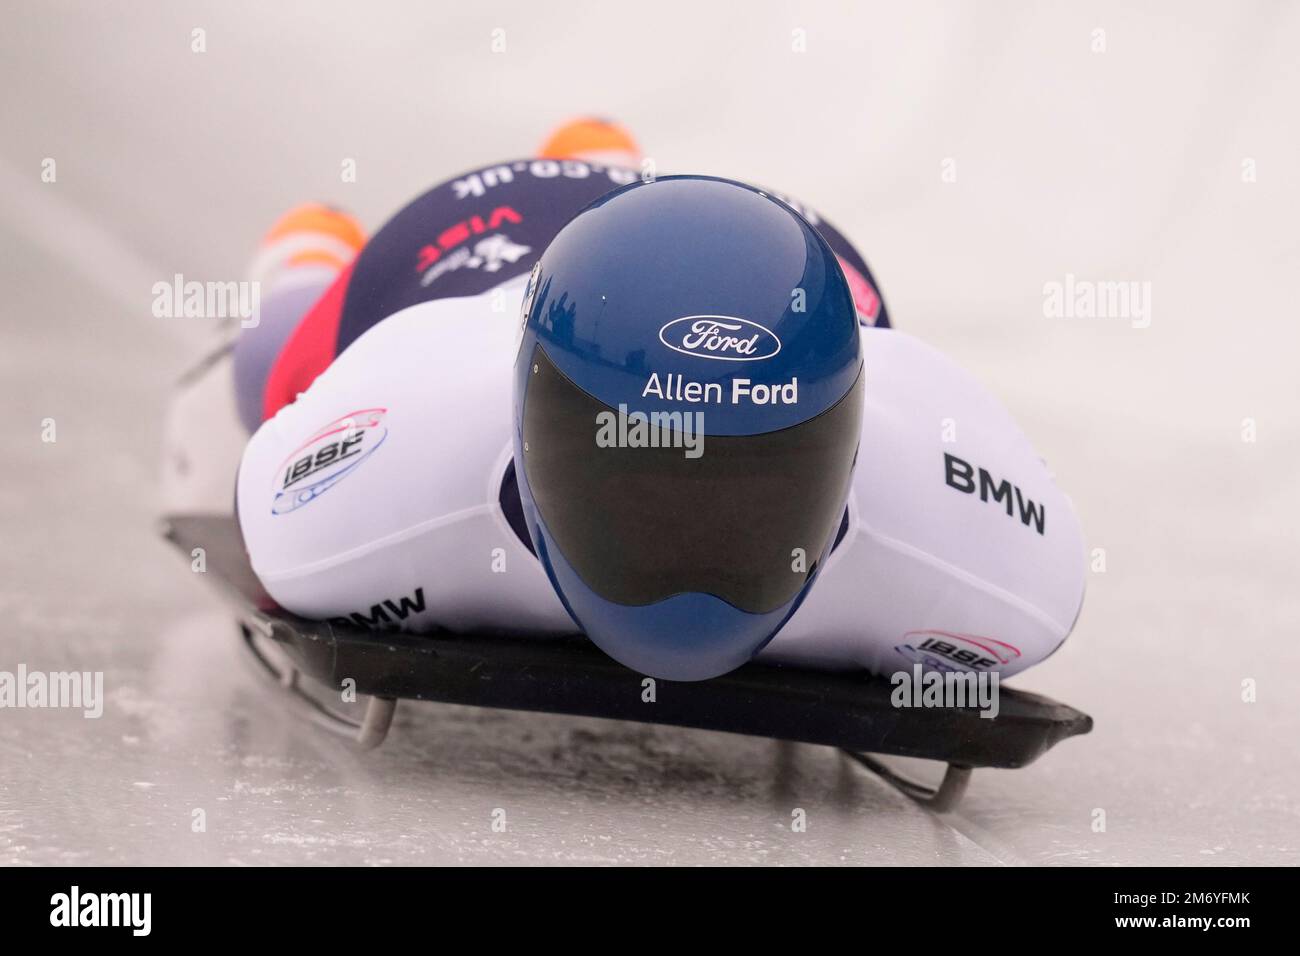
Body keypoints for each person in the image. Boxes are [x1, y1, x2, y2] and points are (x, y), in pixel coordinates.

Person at [221, 121, 1082, 680]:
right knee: (272, 359)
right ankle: (315, 251)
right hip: (475, 243)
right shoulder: (388, 452)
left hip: (785, 258)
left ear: (852, 445)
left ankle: (601, 155)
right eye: (635, 460)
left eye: (761, 475)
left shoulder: (329, 541)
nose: (690, 546)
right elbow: (281, 472)